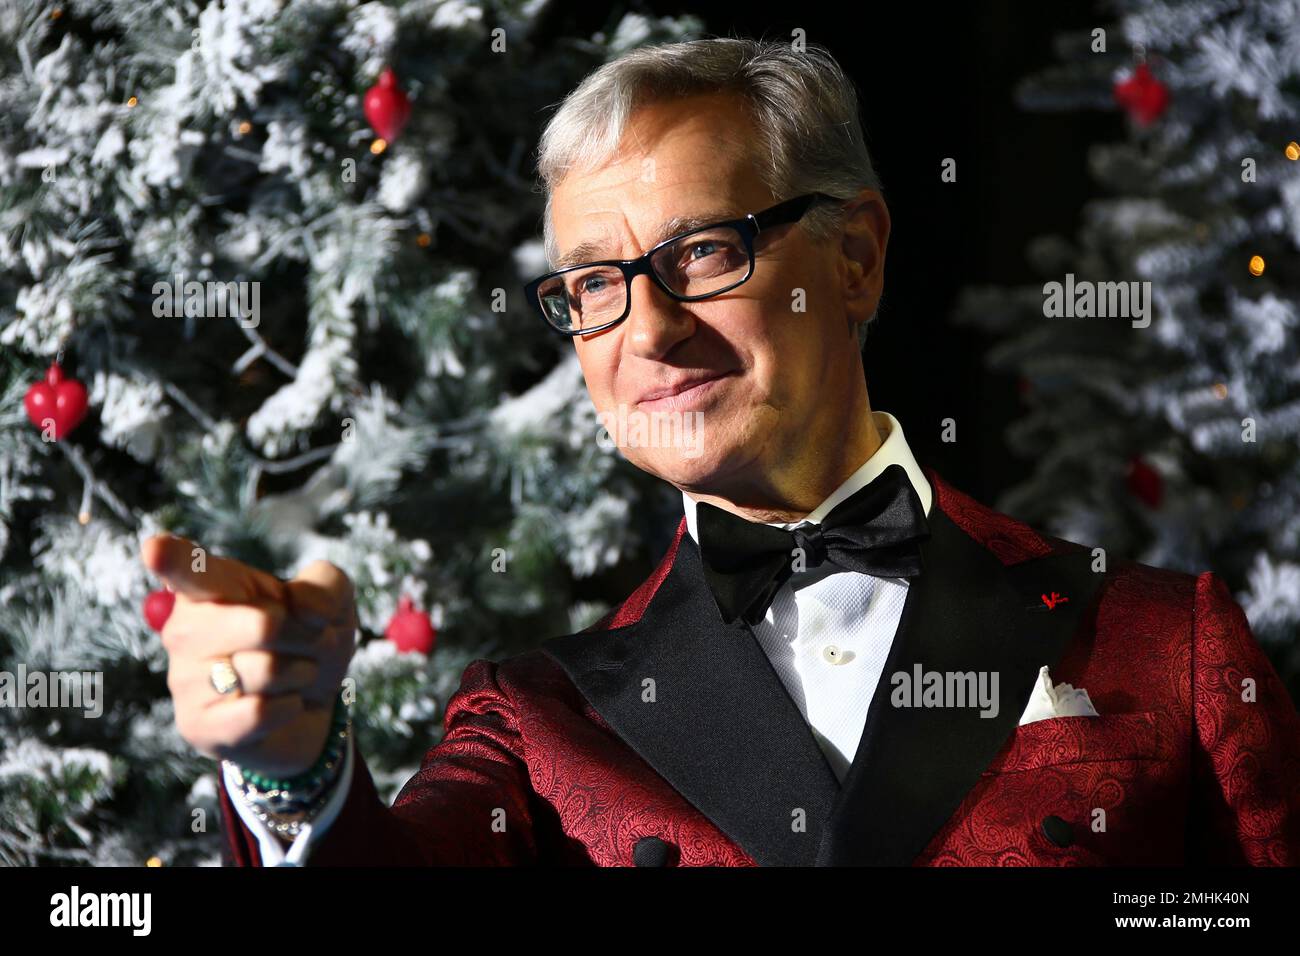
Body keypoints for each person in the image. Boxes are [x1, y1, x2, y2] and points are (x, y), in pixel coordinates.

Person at [142, 37, 1300, 867]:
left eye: (700, 252)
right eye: (595, 284)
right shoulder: (535, 721)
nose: (646, 328)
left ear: (856, 256)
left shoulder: (1169, 644)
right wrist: (295, 766)